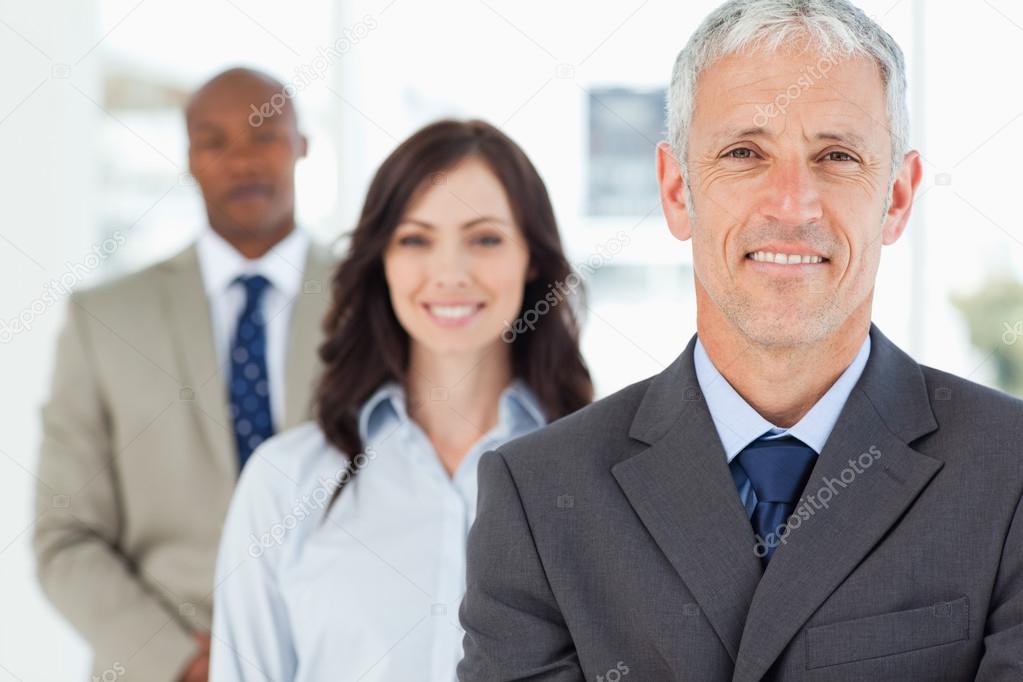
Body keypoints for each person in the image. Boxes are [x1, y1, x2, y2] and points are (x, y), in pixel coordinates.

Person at [458, 1, 1023, 680]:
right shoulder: (538, 495)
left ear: (896, 198)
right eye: (743, 153)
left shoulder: (1007, 473)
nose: (791, 203)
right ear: (675, 189)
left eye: (836, 155)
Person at [209, 118, 593, 681]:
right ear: (381, 260)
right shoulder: (284, 482)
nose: (451, 273)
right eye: (416, 239)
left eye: (485, 238)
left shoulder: (598, 476)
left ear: (531, 257)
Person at [33, 67, 334, 682]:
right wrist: (181, 662)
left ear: (302, 145)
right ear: (188, 157)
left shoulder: (379, 301)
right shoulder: (105, 320)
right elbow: (64, 536)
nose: (243, 161)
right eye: (214, 141)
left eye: (265, 136)